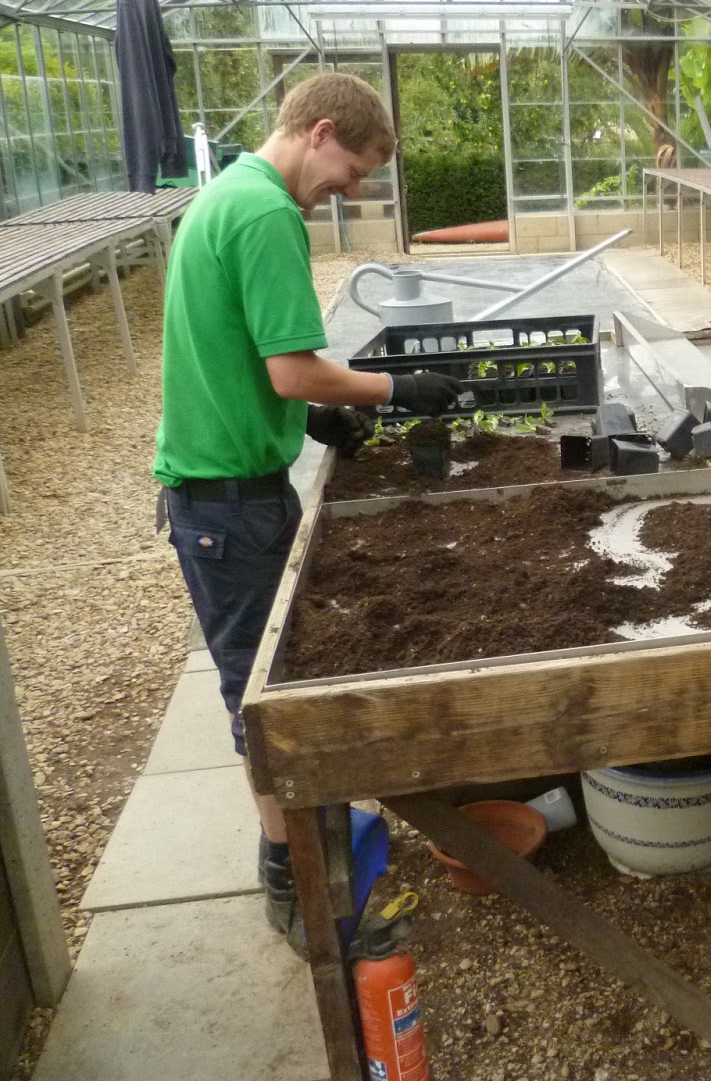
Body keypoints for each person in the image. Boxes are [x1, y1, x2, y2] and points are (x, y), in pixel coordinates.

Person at [152, 72, 464, 955]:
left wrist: (311, 419)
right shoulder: (264, 215)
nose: (352, 190)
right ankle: (301, 901)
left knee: (269, 685)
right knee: (267, 705)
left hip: (221, 489)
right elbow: (291, 367)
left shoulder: (229, 195)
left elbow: (253, 366)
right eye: (355, 168)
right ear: (320, 131)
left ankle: (304, 860)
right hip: (227, 505)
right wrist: (394, 387)